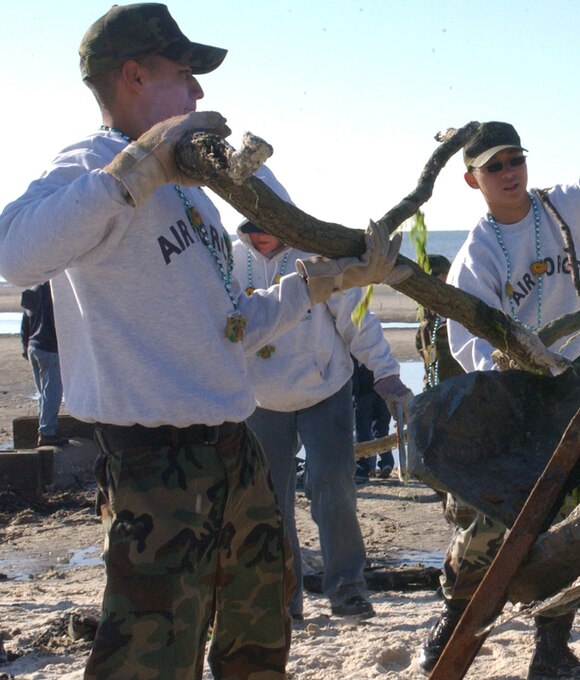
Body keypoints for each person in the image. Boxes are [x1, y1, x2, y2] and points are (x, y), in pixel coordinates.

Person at [0, 4, 408, 677]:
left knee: (259, 635)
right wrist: (135, 172)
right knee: (152, 656)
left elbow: (232, 326)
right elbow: (15, 252)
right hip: (155, 464)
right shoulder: (94, 163)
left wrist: (323, 282)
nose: (199, 93)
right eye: (185, 74)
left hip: (231, 445)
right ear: (133, 75)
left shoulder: (193, 192)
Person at [417, 121, 580, 679]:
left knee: (571, 524)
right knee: (490, 523)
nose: (509, 173)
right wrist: (515, 371)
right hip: (514, 399)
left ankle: (552, 649)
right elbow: (468, 344)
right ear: (471, 179)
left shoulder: (565, 209)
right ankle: (449, 623)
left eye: (515, 160)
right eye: (495, 167)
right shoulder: (476, 257)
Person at [233, 171, 414, 622]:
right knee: (270, 505)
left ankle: (348, 590)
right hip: (261, 401)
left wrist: (386, 374)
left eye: (270, 220)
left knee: (333, 491)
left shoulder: (316, 254)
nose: (261, 232)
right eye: (252, 222)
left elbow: (357, 320)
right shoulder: (227, 260)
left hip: (324, 390)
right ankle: (283, 599)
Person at [20, 282, 68, 447]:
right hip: (49, 348)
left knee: (43, 392)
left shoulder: (33, 289)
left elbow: (25, 321)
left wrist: (24, 347)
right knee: (52, 391)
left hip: (33, 346)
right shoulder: (56, 291)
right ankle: (47, 432)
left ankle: (45, 429)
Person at [415, 253, 464, 390]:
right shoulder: (425, 327)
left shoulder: (463, 317)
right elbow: (429, 369)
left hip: (466, 398)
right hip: (440, 399)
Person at [352, 358, 396, 483]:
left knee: (363, 433)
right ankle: (386, 462)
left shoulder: (354, 351)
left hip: (363, 396)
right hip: (382, 394)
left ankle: (363, 468)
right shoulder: (379, 352)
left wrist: (353, 395)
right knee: (381, 431)